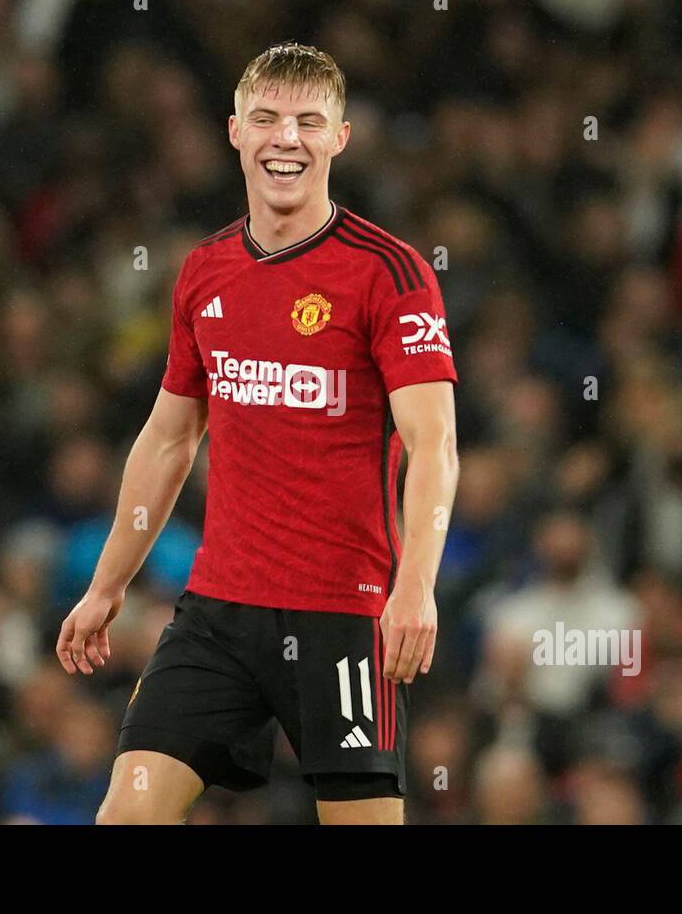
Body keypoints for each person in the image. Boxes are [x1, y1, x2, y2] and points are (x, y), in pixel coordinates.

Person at [55, 42, 459, 824]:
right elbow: (169, 439)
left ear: (340, 138)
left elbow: (434, 445)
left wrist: (416, 586)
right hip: (218, 613)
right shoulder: (205, 271)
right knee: (125, 817)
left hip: (345, 614)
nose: (287, 138)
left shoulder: (390, 273)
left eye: (310, 122)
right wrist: (108, 585)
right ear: (234, 131)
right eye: (268, 119)